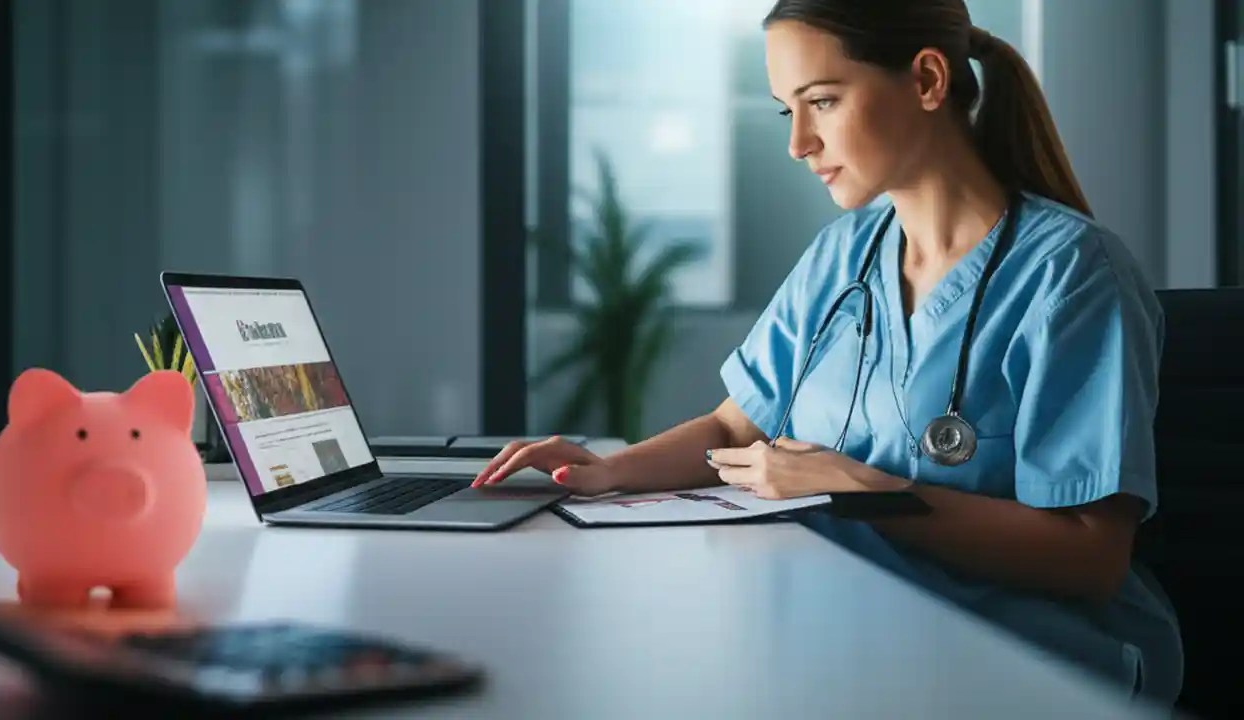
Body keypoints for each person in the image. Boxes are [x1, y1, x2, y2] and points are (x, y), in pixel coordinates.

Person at [474, 0, 1181, 707]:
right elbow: (731, 428)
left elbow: (1092, 555)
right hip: (851, 622)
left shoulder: (1072, 275)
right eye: (789, 111)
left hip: (1028, 649)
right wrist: (606, 471)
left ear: (929, 80)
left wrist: (873, 494)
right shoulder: (845, 253)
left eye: (824, 101)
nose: (799, 143)